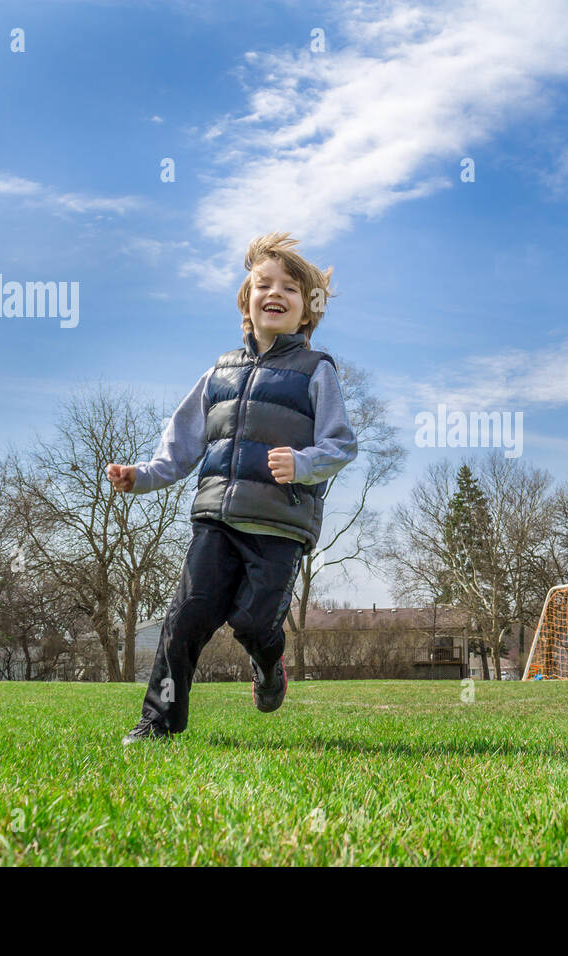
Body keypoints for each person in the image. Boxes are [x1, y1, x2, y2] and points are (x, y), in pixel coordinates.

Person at [106, 232, 357, 744]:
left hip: (278, 525)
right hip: (215, 521)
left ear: (307, 311)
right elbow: (180, 447)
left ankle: (269, 664)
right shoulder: (219, 372)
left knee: (251, 621)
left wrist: (304, 462)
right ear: (247, 300)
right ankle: (158, 722)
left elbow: (341, 444)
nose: (275, 293)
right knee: (185, 619)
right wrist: (144, 476)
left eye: (290, 288)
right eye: (264, 284)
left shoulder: (316, 371)